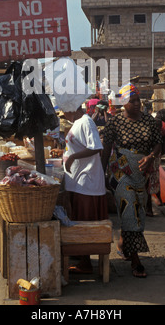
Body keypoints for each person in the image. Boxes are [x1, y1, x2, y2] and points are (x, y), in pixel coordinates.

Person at [101, 83, 162, 278]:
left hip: (141, 174)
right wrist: (101, 176)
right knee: (131, 208)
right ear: (123, 104)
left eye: (138, 100)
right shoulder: (115, 122)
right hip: (120, 172)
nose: (137, 104)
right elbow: (106, 148)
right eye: (132, 101)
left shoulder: (149, 122)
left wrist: (151, 157)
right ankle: (136, 261)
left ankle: (123, 243)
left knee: (138, 211)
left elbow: (158, 144)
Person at [63, 106, 108, 274]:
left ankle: (86, 262)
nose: (64, 113)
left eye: (65, 110)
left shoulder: (86, 121)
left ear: (73, 107)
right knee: (79, 220)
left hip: (87, 180)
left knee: (85, 221)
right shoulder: (77, 123)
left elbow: (96, 147)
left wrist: (73, 157)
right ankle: (83, 258)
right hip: (78, 179)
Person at [146, 109, 165, 216]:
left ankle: (156, 201)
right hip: (154, 156)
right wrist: (157, 155)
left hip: (141, 154)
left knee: (145, 179)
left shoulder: (148, 122)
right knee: (153, 178)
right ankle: (150, 208)